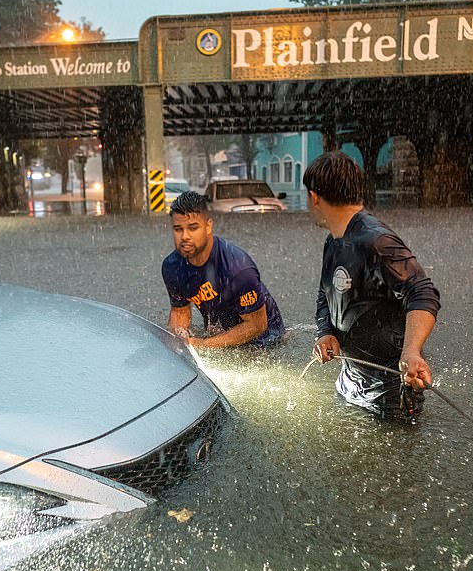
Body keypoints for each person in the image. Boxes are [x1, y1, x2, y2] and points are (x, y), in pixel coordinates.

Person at [304, 151, 440, 422]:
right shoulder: (333, 241)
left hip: (391, 395)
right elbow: (326, 294)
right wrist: (326, 332)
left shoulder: (376, 241)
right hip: (350, 382)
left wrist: (412, 351)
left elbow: (422, 292)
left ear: (314, 197)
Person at [162, 191, 284, 349]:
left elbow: (257, 325)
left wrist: (202, 344)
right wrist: (175, 345)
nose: (185, 236)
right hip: (219, 333)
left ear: (208, 226)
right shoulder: (172, 267)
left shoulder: (238, 268)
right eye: (178, 229)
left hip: (265, 340)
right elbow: (180, 313)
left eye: (193, 228)